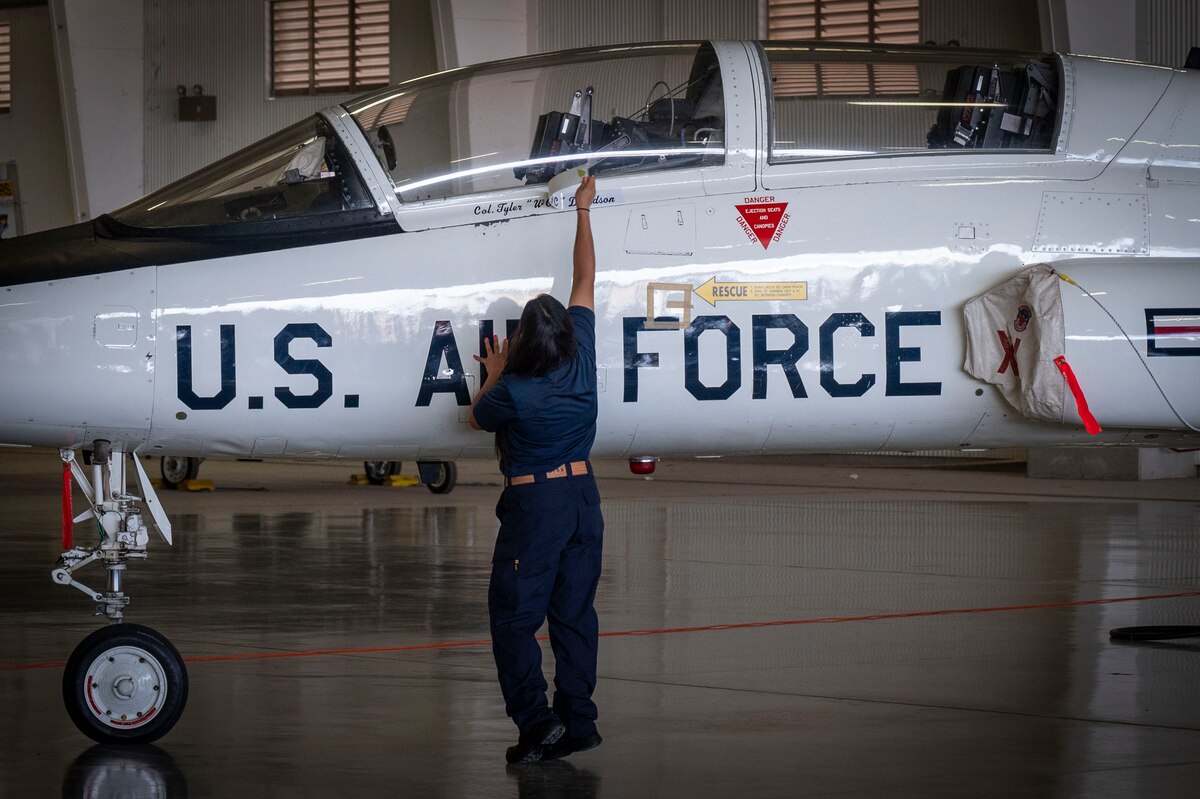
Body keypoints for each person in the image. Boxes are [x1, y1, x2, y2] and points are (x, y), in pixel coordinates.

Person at [469, 175, 604, 764]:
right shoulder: (584, 360)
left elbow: (476, 418)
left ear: (521, 343)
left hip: (536, 510)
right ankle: (579, 721)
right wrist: (582, 212)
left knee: (514, 620)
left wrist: (495, 370)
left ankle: (535, 722)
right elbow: (585, 279)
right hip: (584, 500)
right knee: (573, 615)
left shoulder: (515, 392)